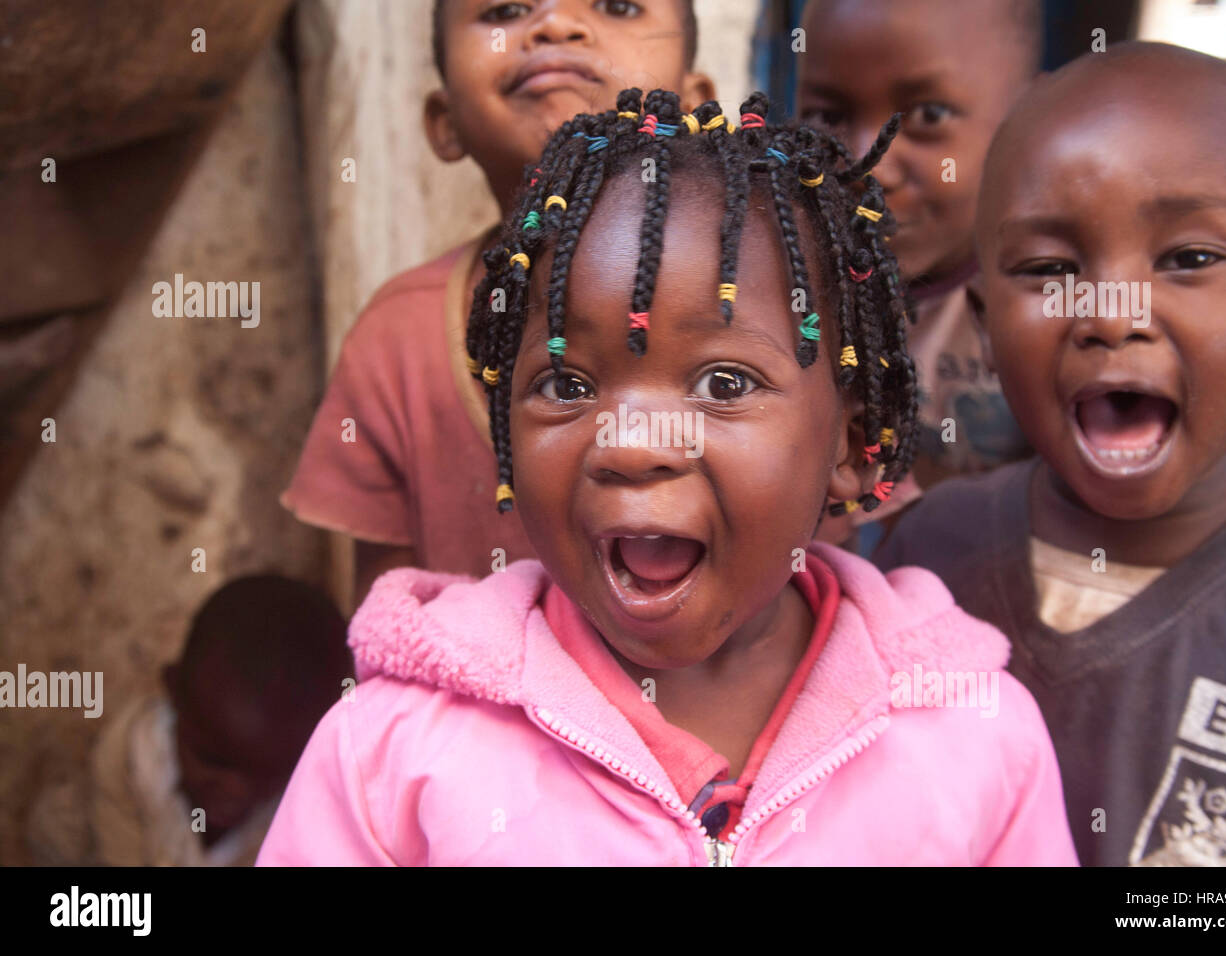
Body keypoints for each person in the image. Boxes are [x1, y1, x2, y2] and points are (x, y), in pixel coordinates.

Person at [257, 90, 1075, 866]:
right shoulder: (392, 749)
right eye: (567, 385)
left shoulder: (973, 739)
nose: (632, 443)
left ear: (852, 447)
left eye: (724, 384)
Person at [874, 43, 1226, 866]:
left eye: (1188, 260)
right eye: (1049, 268)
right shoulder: (923, 558)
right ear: (988, 320)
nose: (1111, 313)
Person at [281, 0, 715, 601]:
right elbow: (387, 632)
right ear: (444, 122)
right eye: (506, 10)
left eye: (617, 5)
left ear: (693, 104)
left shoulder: (761, 308)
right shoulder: (399, 339)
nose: (556, 25)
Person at [793, 0, 1041, 541]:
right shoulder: (780, 287)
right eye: (827, 116)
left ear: (1030, 119)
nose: (867, 163)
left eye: (928, 117)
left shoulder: (1052, 306)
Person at [91, 575, 353, 865]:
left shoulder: (312, 800)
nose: (235, 791)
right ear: (174, 691)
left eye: (268, 774)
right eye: (212, 760)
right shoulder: (130, 759)